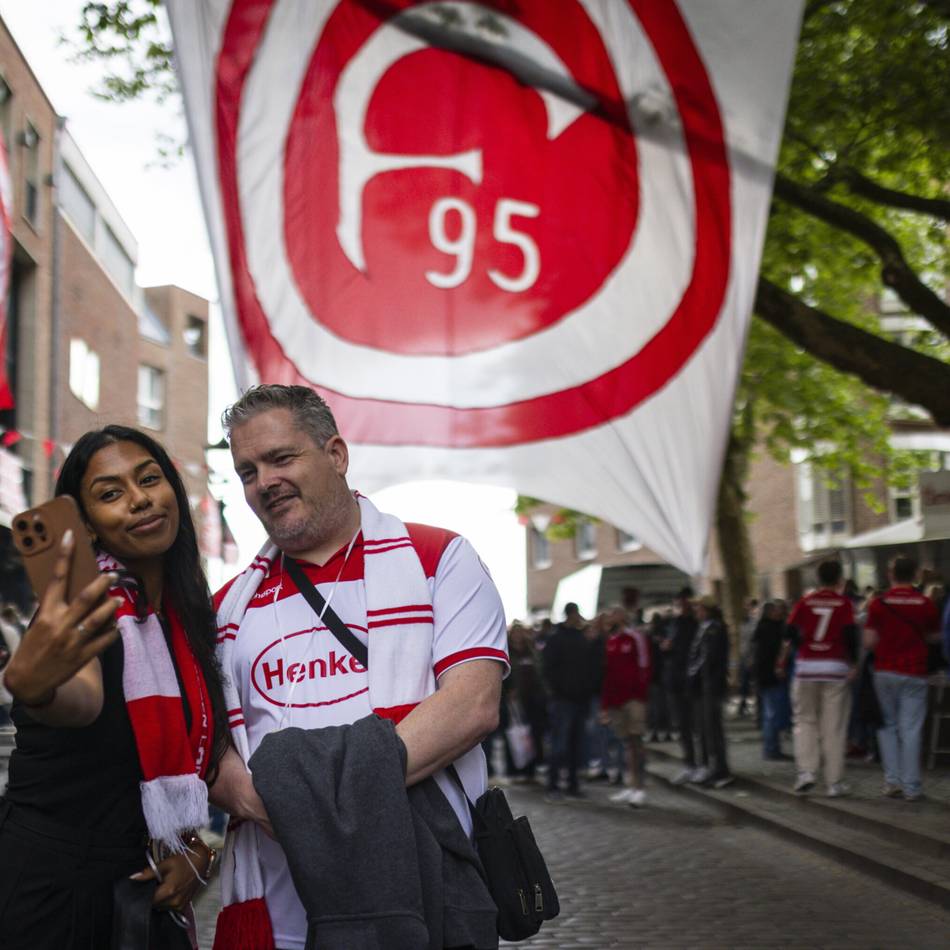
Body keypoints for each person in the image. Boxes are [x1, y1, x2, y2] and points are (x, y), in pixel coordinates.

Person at [206, 385, 509, 950]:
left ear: (337, 455)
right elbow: (211, 745)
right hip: (277, 905)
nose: (264, 481)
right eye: (247, 471)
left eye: (281, 457)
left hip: (424, 889)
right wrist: (279, 809)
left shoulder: (439, 559)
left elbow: (472, 704)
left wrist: (309, 804)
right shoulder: (226, 607)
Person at [0, 425, 227, 949]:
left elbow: (188, 762)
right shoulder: (84, 614)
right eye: (110, 493)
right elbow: (79, 700)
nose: (139, 498)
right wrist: (34, 686)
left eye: (149, 479)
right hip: (52, 898)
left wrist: (197, 850)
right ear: (88, 527)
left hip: (140, 895)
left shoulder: (188, 625)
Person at [864, 556, 940, 802]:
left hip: (884, 671)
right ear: (915, 574)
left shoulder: (878, 603)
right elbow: (935, 636)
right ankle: (912, 786)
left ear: (890, 574)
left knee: (887, 726)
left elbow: (868, 641)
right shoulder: (925, 603)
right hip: (915, 672)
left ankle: (892, 781)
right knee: (912, 729)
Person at [783, 561, 859, 796]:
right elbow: (849, 635)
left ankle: (806, 772)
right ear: (839, 579)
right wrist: (853, 662)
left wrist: (806, 647)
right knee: (833, 726)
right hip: (834, 668)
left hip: (806, 668)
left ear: (817, 580)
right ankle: (834, 782)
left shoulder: (804, 602)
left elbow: (789, 633)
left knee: (804, 721)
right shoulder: (844, 603)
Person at [542, 601, 593, 801]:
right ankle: (553, 785)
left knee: (575, 744)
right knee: (560, 745)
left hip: (578, 699)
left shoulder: (580, 638)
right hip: (563, 700)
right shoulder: (557, 639)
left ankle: (572, 784)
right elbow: (548, 669)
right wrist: (558, 690)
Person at [602, 606, 652, 807]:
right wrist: (606, 703)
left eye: (614, 613)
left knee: (636, 741)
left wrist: (640, 694)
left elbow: (644, 665)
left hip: (633, 699)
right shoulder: (612, 642)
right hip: (616, 701)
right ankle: (630, 785)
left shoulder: (635, 638)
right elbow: (608, 674)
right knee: (626, 743)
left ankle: (640, 787)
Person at [687, 595, 733, 788]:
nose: (696, 611)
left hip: (710, 685)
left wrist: (692, 674)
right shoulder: (706, 627)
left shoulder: (714, 628)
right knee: (707, 729)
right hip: (704, 685)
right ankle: (713, 767)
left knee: (713, 729)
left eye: (698, 608)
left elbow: (708, 658)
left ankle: (721, 770)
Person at [664, 587, 699, 784]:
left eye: (682, 601)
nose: (680, 605)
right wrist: (666, 648)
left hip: (691, 682)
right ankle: (689, 763)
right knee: (682, 725)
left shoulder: (695, 623)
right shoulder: (675, 623)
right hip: (675, 681)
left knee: (695, 725)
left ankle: (699, 763)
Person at [751, 602, 792, 761]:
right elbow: (768, 654)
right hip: (770, 676)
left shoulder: (766, 628)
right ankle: (771, 748)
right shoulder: (769, 630)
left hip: (766, 676)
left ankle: (772, 747)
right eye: (776, 610)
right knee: (771, 713)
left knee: (771, 712)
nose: (780, 612)